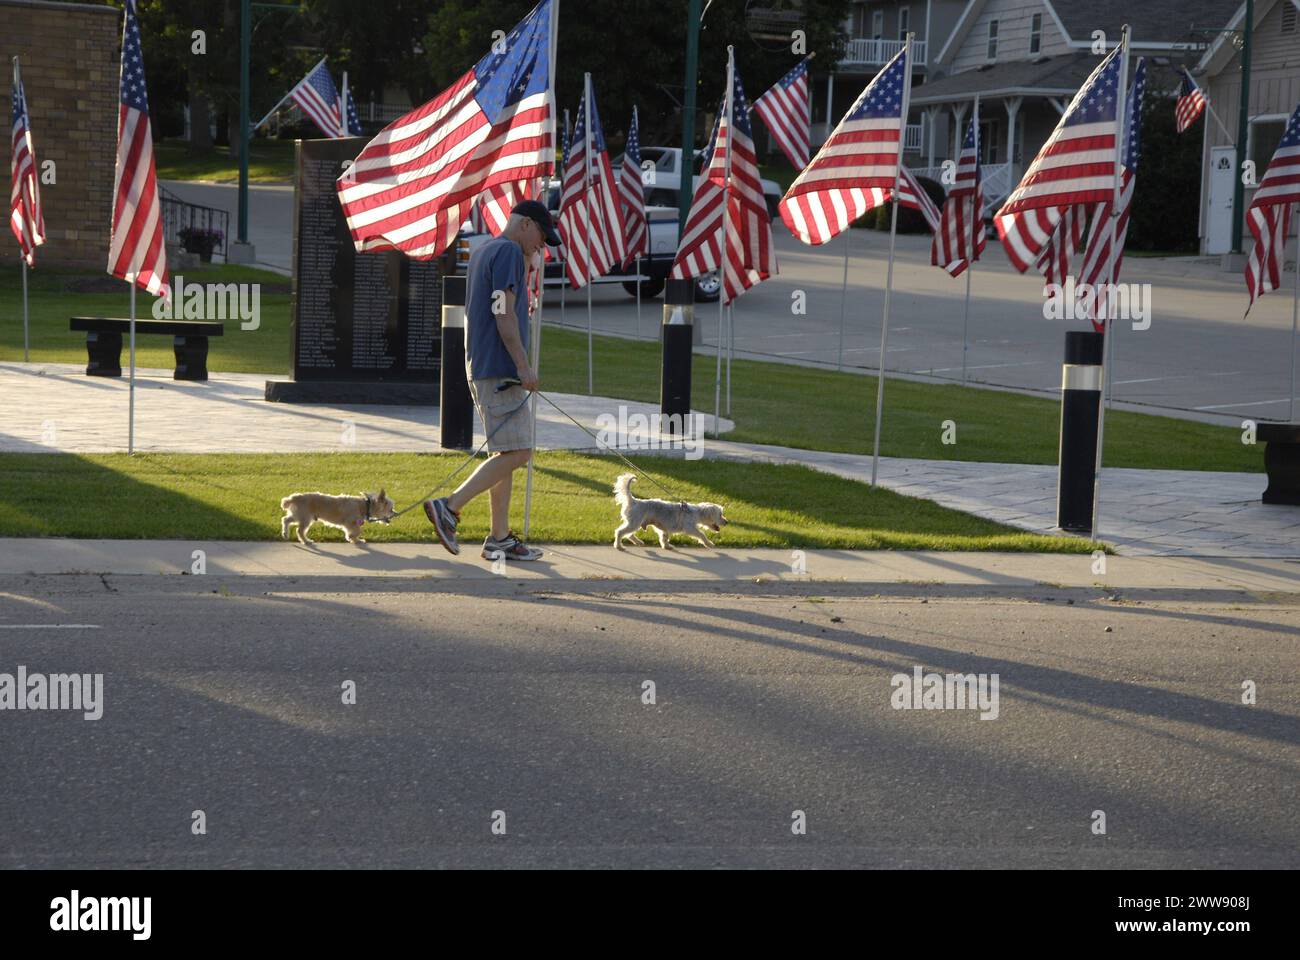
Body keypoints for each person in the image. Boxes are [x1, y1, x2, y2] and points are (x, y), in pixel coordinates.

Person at [425, 199, 560, 561]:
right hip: (501, 371)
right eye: (542, 237)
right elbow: (503, 314)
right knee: (520, 451)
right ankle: (449, 508)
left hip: (485, 366)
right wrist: (524, 367)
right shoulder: (508, 253)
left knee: (506, 453)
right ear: (527, 225)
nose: (541, 247)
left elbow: (499, 307)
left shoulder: (487, 251)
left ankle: (499, 538)